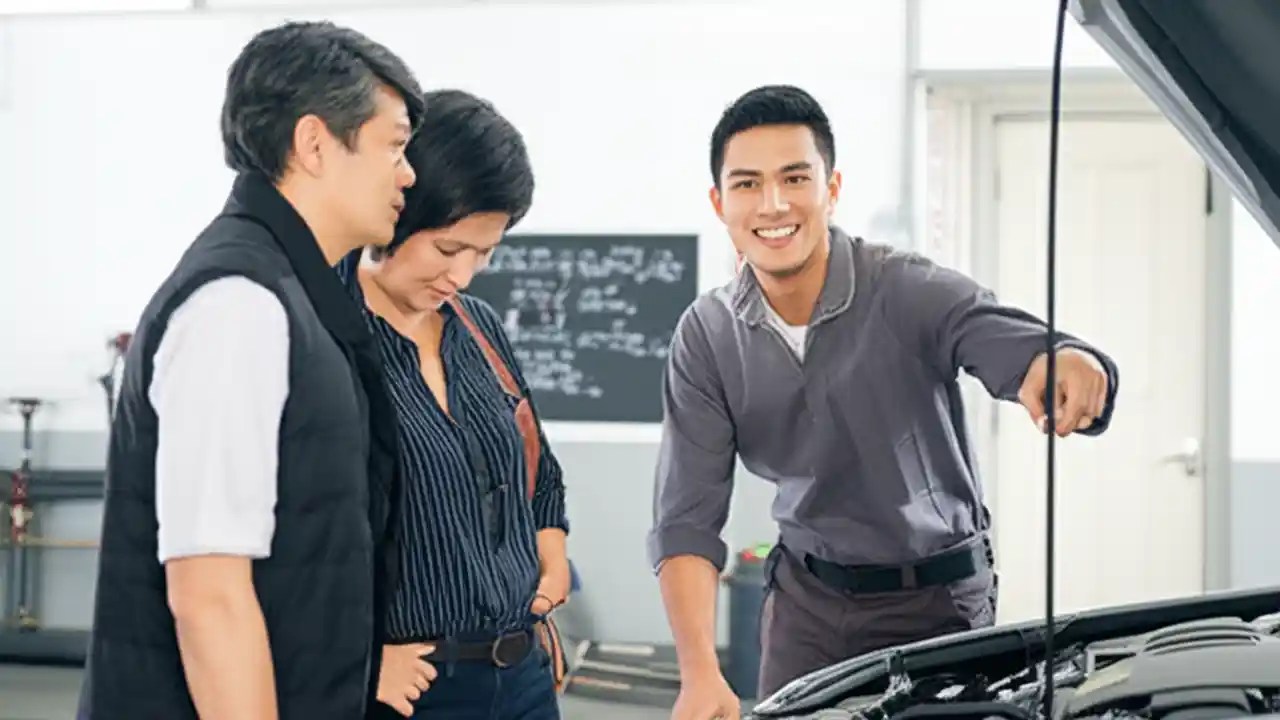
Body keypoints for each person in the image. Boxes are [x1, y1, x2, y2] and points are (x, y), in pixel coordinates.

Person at [647, 84, 1120, 719]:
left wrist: (1062, 360)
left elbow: (1000, 336)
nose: (773, 204)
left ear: (832, 189)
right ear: (719, 202)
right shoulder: (706, 335)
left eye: (795, 178)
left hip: (938, 603)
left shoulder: (904, 288)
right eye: (748, 184)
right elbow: (686, 519)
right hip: (807, 606)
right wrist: (700, 672)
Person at [77, 21, 423, 720]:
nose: (408, 174)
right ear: (314, 144)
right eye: (394, 146)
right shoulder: (237, 303)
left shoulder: (297, 296)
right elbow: (210, 594)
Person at [337, 89, 571, 720]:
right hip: (410, 689)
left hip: (523, 676)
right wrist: (358, 660)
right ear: (398, 210)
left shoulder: (479, 326)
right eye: (447, 249)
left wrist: (551, 561)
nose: (461, 276)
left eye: (484, 253)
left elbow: (540, 475)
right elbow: (292, 532)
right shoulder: (330, 336)